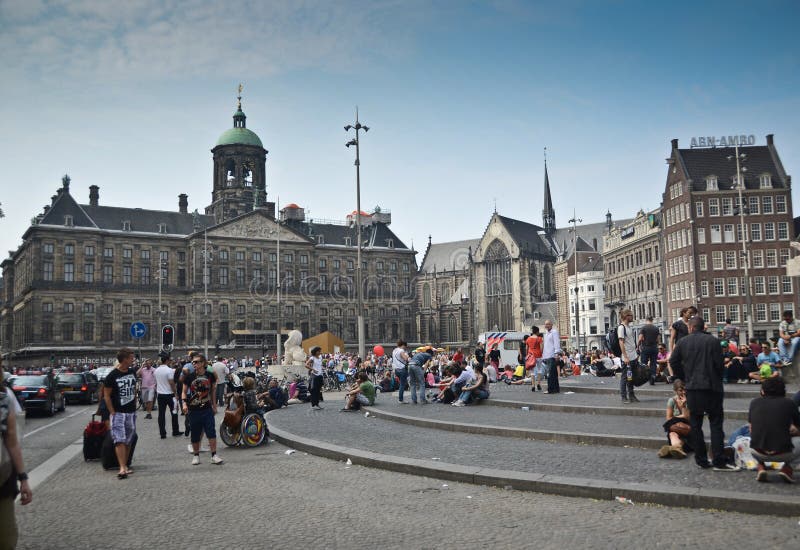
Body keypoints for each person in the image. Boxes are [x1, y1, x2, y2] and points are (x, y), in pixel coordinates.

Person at [669, 316, 738, 471]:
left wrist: (684, 378)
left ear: (691, 327)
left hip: (693, 388)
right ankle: (718, 460)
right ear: (703, 327)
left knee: (696, 424)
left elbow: (673, 361)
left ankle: (701, 459)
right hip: (713, 387)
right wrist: (717, 377)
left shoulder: (683, 342)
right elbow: (719, 364)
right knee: (716, 424)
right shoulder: (713, 341)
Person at [1, 373, 33, 550]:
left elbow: (13, 441)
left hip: (2, 479)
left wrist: (23, 478)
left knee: (5, 539)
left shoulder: (4, 399)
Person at [748, 377, 800, 482]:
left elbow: (751, 428)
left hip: (757, 451)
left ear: (762, 391)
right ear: (783, 391)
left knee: (757, 436)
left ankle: (761, 466)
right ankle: (787, 468)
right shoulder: (789, 403)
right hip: (784, 453)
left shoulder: (754, 402)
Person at [181, 354, 223, 465]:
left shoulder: (210, 375)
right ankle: (196, 455)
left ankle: (214, 455)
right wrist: (184, 404)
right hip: (193, 409)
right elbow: (184, 392)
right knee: (195, 433)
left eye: (196, 362)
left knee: (211, 432)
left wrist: (214, 406)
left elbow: (213, 392)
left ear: (203, 363)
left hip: (207, 409)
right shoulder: (189, 377)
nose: (194, 364)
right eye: (193, 362)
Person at [103, 348, 138, 479]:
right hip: (118, 412)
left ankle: (126, 464)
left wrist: (135, 404)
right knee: (119, 440)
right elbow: (106, 395)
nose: (133, 360)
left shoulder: (132, 372)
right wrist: (112, 412)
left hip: (131, 412)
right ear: (124, 359)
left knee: (129, 440)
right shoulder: (112, 376)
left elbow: (134, 389)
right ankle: (122, 467)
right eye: (131, 358)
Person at [659, 380, 691, 459]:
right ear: (675, 391)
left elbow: (688, 418)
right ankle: (677, 449)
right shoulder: (672, 400)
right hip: (675, 427)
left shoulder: (690, 400)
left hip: (688, 429)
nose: (683, 392)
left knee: (673, 430)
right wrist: (679, 419)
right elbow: (668, 418)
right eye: (680, 390)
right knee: (672, 433)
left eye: (685, 389)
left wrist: (683, 406)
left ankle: (670, 449)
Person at [154, 352, 181, 439]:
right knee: (174, 412)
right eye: (169, 360)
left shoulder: (156, 370)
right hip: (170, 394)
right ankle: (175, 431)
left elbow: (156, 382)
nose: (170, 361)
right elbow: (171, 383)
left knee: (161, 414)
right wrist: (176, 393)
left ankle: (162, 433)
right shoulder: (169, 370)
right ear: (166, 361)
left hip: (160, 395)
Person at [669, 305, 697, 380]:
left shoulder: (692, 323)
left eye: (691, 313)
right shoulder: (677, 324)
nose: (690, 314)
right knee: (678, 363)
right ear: (684, 313)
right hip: (680, 347)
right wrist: (671, 351)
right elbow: (672, 338)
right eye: (689, 313)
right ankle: (679, 377)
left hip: (690, 347)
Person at [618, 309, 639, 404]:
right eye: (631, 315)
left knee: (631, 377)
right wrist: (625, 357)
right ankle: (623, 397)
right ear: (626, 316)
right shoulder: (621, 327)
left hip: (633, 357)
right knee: (625, 377)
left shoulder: (628, 327)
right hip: (627, 358)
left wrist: (635, 354)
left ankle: (631, 395)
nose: (632, 316)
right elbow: (621, 342)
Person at [638, 317, 660, 385]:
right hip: (654, 348)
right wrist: (657, 346)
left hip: (645, 348)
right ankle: (653, 376)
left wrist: (638, 346)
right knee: (653, 363)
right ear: (652, 320)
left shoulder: (643, 328)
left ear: (646, 320)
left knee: (644, 363)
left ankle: (645, 377)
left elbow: (640, 339)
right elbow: (658, 339)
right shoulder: (656, 328)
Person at [542, 320, 561, 395]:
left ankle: (550, 389)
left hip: (552, 355)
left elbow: (556, 343)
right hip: (547, 355)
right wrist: (543, 356)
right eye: (545, 324)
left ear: (551, 325)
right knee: (553, 373)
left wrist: (556, 353)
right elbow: (546, 346)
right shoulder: (546, 333)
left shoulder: (554, 332)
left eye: (548, 324)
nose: (546, 325)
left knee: (550, 373)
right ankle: (556, 389)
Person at [305, 346, 325, 411]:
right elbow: (306, 365)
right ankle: (313, 404)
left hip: (320, 375)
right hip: (315, 375)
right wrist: (313, 369)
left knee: (318, 390)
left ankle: (317, 404)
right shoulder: (312, 358)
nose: (320, 352)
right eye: (319, 351)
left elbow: (319, 365)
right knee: (313, 390)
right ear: (316, 352)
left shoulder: (320, 357)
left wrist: (322, 368)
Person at [526, 326, 544, 391]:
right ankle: (538, 383)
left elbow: (526, 348)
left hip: (531, 356)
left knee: (532, 371)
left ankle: (533, 385)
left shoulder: (528, 339)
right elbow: (541, 348)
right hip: (538, 355)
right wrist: (541, 354)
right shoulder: (539, 339)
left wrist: (527, 355)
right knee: (539, 370)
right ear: (537, 332)